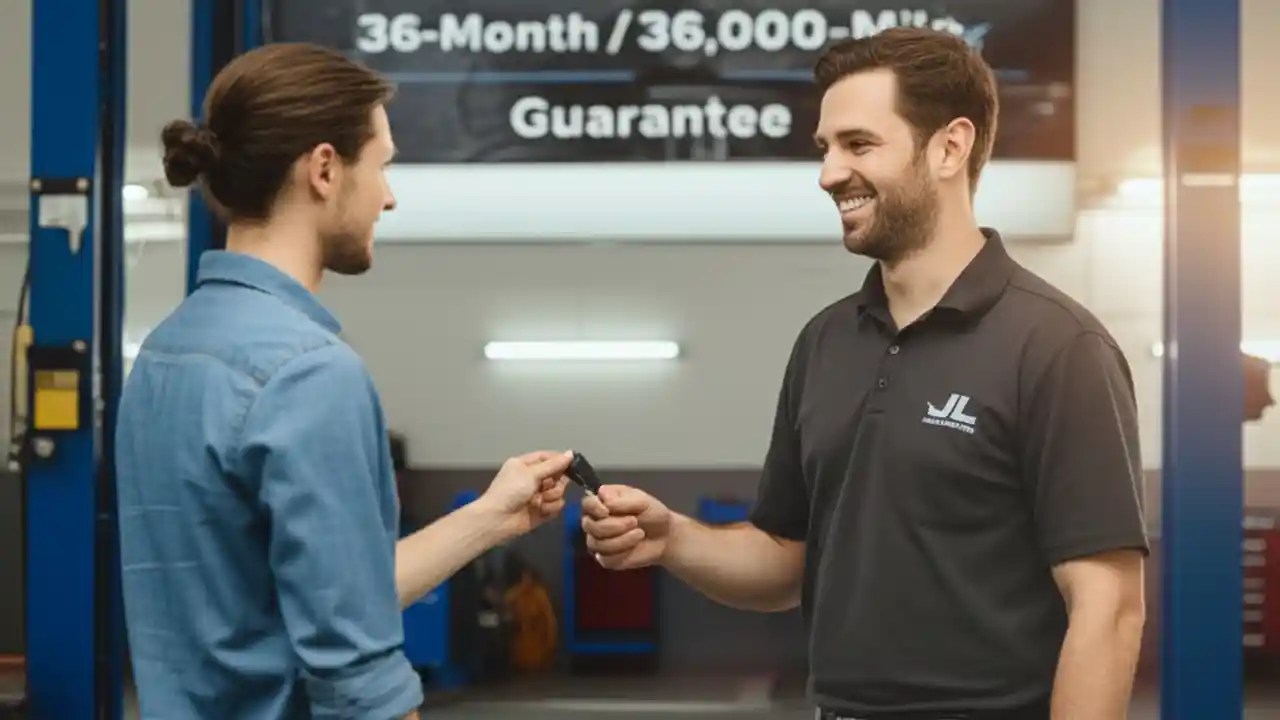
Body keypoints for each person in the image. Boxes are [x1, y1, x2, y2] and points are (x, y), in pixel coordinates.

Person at [581, 28, 1149, 720]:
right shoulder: (825, 342)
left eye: (859, 144)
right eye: (825, 148)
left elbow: (1109, 608)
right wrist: (674, 538)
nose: (827, 173)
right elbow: (787, 558)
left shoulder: (1057, 347)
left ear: (949, 146)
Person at [115, 43, 573, 720]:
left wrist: (489, 518)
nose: (388, 197)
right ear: (325, 169)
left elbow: (323, 596)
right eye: (382, 165)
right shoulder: (309, 374)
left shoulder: (165, 355)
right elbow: (358, 674)